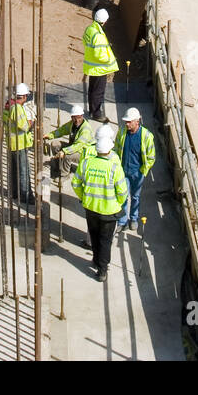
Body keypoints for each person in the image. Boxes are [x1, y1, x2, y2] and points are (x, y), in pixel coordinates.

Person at [72, 125, 128, 281]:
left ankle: (96, 261)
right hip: (109, 211)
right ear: (109, 149)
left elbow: (75, 183)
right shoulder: (114, 166)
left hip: (91, 208)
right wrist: (117, 203)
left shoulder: (87, 163)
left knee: (95, 236)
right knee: (106, 240)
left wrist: (84, 197)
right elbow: (123, 192)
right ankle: (102, 270)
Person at [114, 108, 156, 231]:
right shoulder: (122, 132)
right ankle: (122, 222)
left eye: (129, 122)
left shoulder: (146, 136)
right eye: (126, 122)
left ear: (137, 121)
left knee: (135, 197)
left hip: (137, 172)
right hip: (123, 171)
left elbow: (151, 157)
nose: (126, 124)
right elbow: (116, 148)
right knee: (123, 196)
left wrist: (143, 170)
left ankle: (133, 219)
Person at [82, 8, 118, 120]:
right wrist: (108, 59)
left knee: (92, 89)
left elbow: (85, 41)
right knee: (98, 91)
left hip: (92, 66)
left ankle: (92, 110)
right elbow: (99, 55)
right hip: (99, 68)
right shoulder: (98, 35)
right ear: (104, 21)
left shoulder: (90, 29)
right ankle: (97, 114)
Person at [3, 82, 35, 206]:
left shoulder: (8, 105)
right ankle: (26, 195)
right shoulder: (17, 108)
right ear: (24, 96)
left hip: (12, 143)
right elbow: (25, 126)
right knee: (23, 171)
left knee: (14, 170)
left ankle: (15, 193)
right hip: (19, 144)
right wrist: (32, 121)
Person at [46, 103, 96, 175]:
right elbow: (62, 130)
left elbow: (78, 145)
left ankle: (64, 174)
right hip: (74, 147)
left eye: (79, 117)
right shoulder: (72, 124)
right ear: (71, 117)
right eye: (74, 118)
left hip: (84, 152)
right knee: (55, 144)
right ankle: (59, 166)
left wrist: (64, 151)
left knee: (67, 156)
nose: (77, 120)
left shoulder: (86, 130)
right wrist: (49, 135)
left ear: (82, 116)